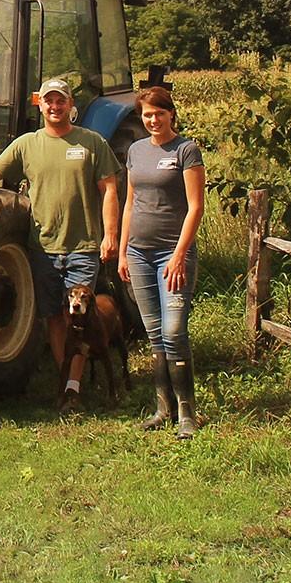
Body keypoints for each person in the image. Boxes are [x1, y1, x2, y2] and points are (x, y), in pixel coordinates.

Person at [0, 77, 120, 414]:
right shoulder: (27, 145)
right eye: (49, 101)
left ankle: (73, 389)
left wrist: (111, 234)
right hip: (43, 248)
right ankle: (65, 381)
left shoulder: (92, 143)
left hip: (83, 245)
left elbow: (109, 189)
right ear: (40, 105)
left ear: (70, 104)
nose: (54, 106)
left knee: (77, 317)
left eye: (60, 101)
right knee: (53, 318)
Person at [118, 84, 207, 437]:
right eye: (147, 114)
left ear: (171, 114)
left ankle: (187, 413)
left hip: (173, 254)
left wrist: (180, 255)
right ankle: (162, 408)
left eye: (159, 113)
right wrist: (124, 251)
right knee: (155, 333)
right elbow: (130, 203)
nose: (153, 120)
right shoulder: (136, 151)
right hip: (139, 253)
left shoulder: (186, 150)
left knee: (173, 331)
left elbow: (196, 207)